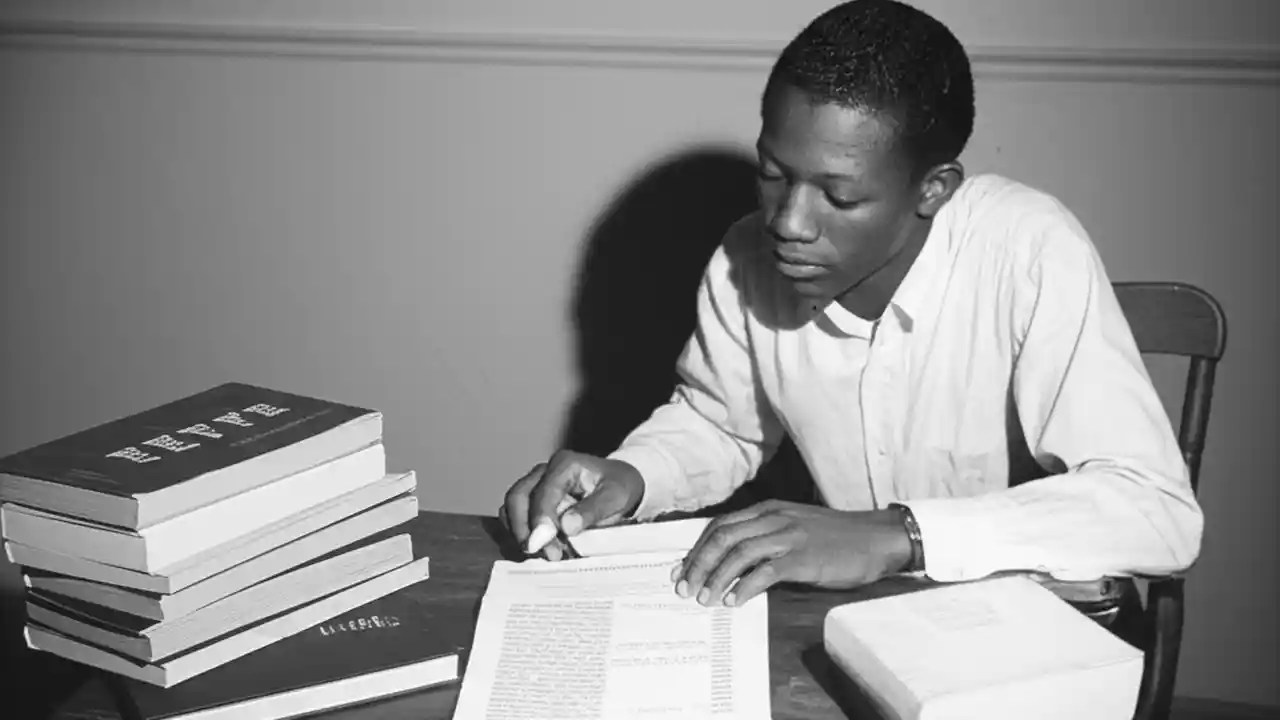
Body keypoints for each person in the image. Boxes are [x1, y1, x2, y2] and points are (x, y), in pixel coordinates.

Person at [501, 0, 1203, 610]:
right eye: (773, 175)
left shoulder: (1027, 250)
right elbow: (724, 423)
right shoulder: (745, 256)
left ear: (935, 189)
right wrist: (632, 477)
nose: (790, 222)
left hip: (1030, 628)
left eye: (838, 196)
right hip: (853, 622)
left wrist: (898, 534)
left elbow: (1155, 510)